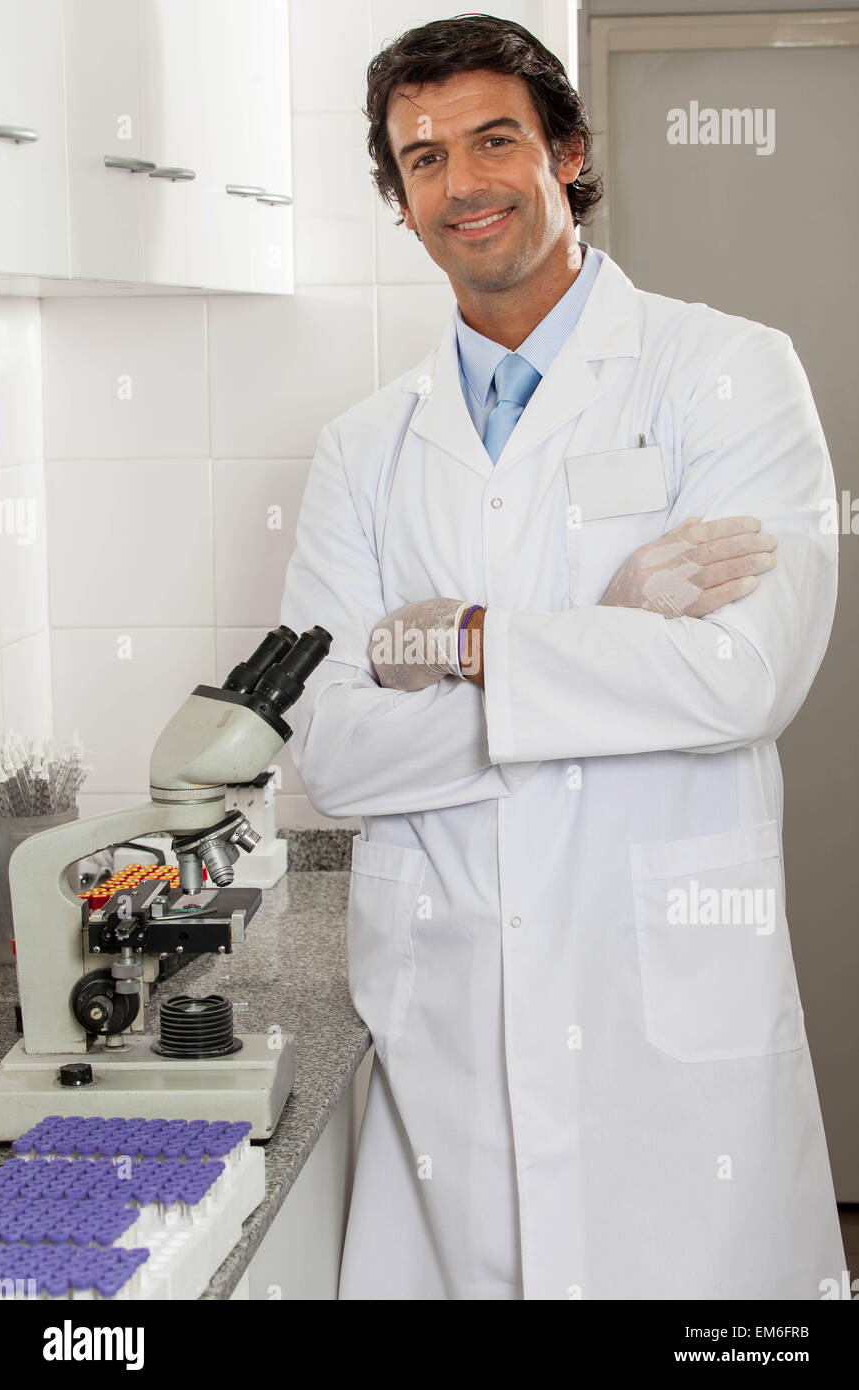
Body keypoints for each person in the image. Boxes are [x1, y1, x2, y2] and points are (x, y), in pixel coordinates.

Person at [278, 15, 844, 1299]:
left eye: (494, 141)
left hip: (660, 1021)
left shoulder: (729, 375)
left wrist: (459, 640)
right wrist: (612, 630)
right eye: (421, 160)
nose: (461, 184)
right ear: (398, 197)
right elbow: (332, 751)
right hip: (451, 1026)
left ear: (566, 152)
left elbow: (740, 680)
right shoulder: (362, 450)